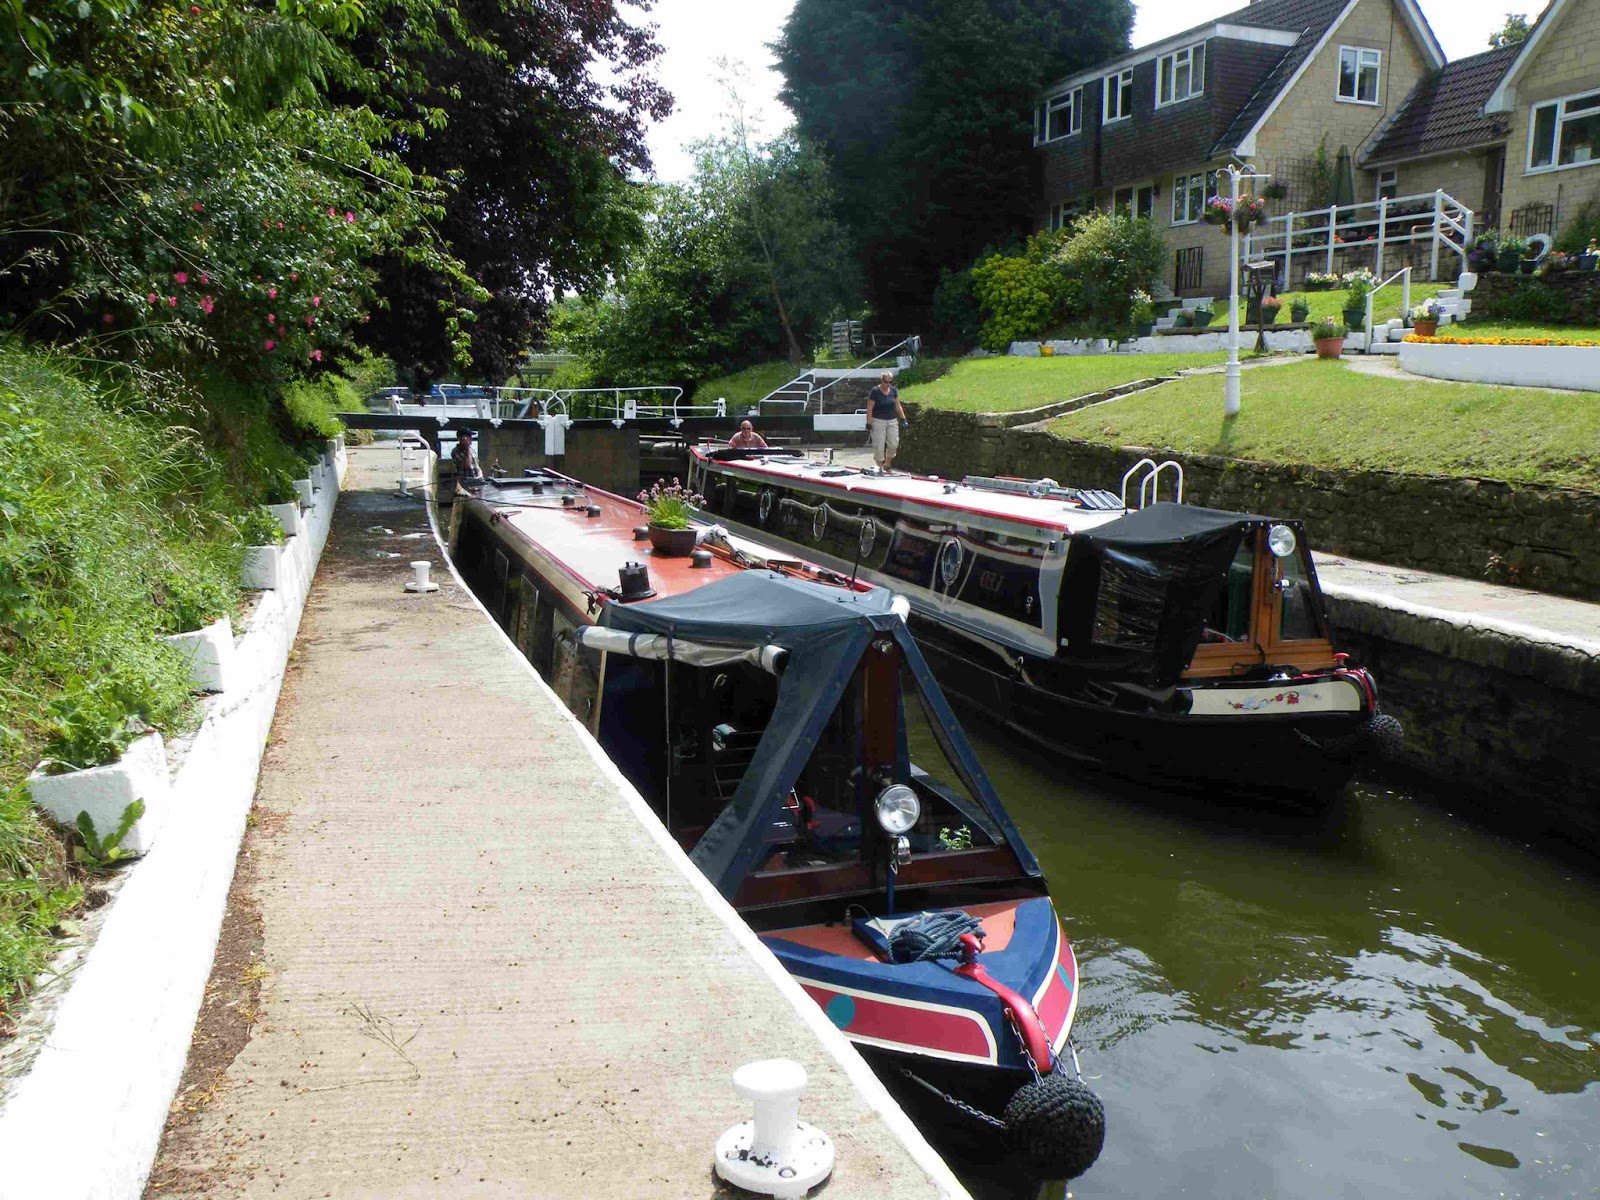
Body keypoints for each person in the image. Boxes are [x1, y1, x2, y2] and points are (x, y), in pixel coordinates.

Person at [867, 371, 907, 472]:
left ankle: (887, 464)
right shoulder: (875, 391)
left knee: (894, 444)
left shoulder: (893, 391)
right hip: (878, 421)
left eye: (890, 382)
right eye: (886, 382)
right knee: (879, 445)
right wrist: (869, 422)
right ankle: (880, 467)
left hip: (892, 420)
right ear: (882, 381)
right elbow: (870, 407)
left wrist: (903, 418)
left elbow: (898, 406)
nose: (888, 384)